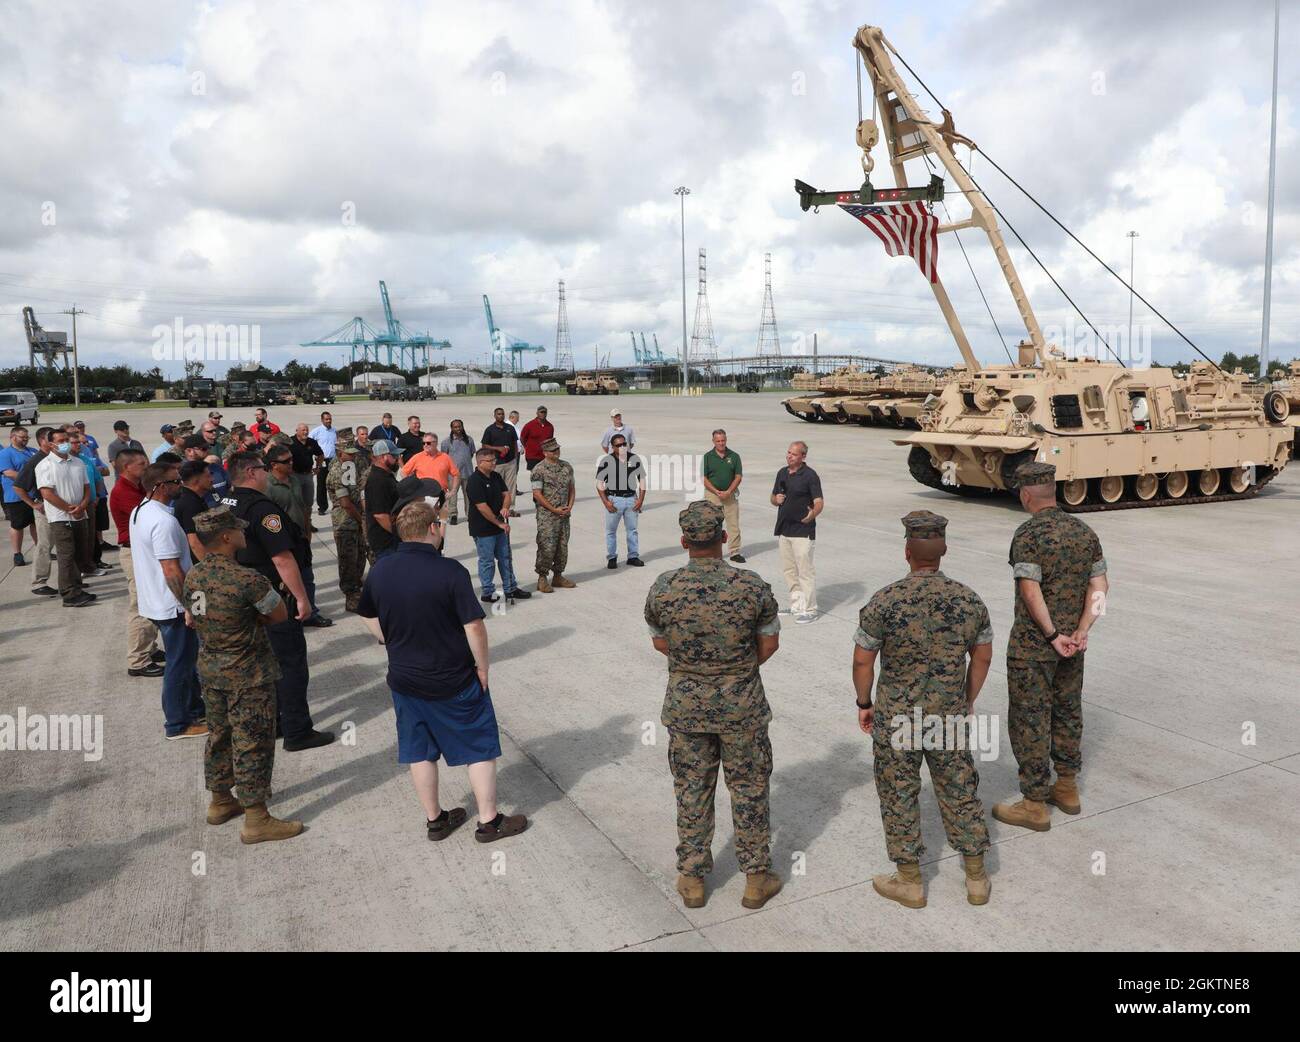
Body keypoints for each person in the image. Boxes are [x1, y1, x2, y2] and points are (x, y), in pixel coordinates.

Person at [357, 496, 529, 843]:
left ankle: (435, 820)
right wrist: (482, 668)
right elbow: (474, 627)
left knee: (419, 749)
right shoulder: (449, 571)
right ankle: (489, 820)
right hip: (453, 678)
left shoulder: (381, 569)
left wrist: (388, 640)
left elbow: (367, 614)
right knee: (478, 745)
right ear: (433, 529)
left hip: (405, 679)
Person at [644, 500, 782, 911]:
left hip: (687, 708)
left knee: (691, 788)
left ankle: (692, 878)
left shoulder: (665, 587)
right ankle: (756, 879)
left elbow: (659, 641)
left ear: (684, 540)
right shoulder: (752, 586)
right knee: (750, 788)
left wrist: (696, 668)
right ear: (723, 538)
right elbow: (769, 643)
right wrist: (734, 670)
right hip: (742, 707)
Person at [853, 510, 994, 909]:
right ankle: (977, 878)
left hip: (898, 717)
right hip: (947, 715)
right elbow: (981, 657)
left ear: (906, 552)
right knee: (959, 789)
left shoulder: (885, 600)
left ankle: (910, 881)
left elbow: (863, 660)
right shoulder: (968, 600)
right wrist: (966, 699)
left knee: (899, 792)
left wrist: (865, 703)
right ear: (944, 550)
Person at [992, 462, 1109, 831]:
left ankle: (1034, 803)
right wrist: (1083, 630)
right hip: (1074, 647)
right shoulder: (1084, 532)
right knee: (1067, 711)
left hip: (1035, 648)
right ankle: (1067, 787)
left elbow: (1030, 589)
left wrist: (1051, 635)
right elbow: (1101, 587)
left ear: (1026, 495)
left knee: (1030, 719)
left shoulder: (1028, 535)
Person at [184, 506, 303, 843]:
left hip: (211, 670)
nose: (242, 532)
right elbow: (279, 614)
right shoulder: (247, 578)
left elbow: (196, 618)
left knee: (219, 735)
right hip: (248, 675)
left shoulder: (194, 575)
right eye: (236, 529)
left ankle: (221, 801)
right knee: (253, 742)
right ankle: (256, 818)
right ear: (225, 537)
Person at [223, 451, 334, 752]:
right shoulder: (263, 510)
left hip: (242, 597)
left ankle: (274, 723)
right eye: (262, 469)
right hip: (272, 597)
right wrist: (302, 600)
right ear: (250, 472)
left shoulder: (225, 503)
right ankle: (298, 730)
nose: (266, 474)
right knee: (290, 663)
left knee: (263, 665)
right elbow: (282, 558)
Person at [130, 461, 207, 739]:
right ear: (160, 487)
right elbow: (171, 569)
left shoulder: (141, 511)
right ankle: (177, 724)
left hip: (155, 601)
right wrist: (189, 606)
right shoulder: (163, 521)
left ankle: (195, 709)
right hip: (172, 605)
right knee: (180, 664)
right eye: (175, 481)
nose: (180, 485)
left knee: (185, 660)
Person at [109, 448, 163, 677]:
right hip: (134, 552)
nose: (146, 466)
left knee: (150, 602)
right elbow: (146, 518)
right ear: (126, 468)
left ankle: (149, 648)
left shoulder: (138, 486)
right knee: (141, 606)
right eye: (142, 464)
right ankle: (137, 660)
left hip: (142, 551)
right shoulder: (123, 492)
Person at [265, 444, 331, 628]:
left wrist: (307, 533)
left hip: (300, 539)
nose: (291, 463)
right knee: (284, 583)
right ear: (274, 465)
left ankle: (310, 613)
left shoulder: (293, 480)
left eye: (291, 459)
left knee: (307, 578)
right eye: (286, 461)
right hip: (282, 542)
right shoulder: (267, 486)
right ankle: (286, 616)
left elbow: (302, 508)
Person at [35, 428, 95, 607]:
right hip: (61, 518)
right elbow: (47, 493)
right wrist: (69, 509)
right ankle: (69, 594)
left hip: (80, 515)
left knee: (80, 553)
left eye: (66, 440)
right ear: (51, 444)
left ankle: (77, 587)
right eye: (61, 440)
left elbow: (86, 487)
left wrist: (82, 505)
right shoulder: (45, 465)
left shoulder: (77, 463)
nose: (65, 443)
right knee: (66, 555)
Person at [465, 447, 530, 604]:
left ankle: (510, 588)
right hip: (483, 528)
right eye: (491, 460)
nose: (494, 463)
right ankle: (488, 592)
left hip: (499, 525)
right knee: (487, 561)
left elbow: (506, 494)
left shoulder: (495, 476)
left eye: (495, 460)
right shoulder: (474, 481)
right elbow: (482, 507)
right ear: (480, 462)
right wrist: (499, 523)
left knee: (505, 557)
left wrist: (505, 507)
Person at [771, 441, 823, 624]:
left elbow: (819, 502)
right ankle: (797, 605)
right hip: (784, 530)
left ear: (803, 456)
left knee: (805, 572)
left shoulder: (810, 476)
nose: (789, 456)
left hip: (803, 531)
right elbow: (773, 497)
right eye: (788, 452)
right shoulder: (782, 473)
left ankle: (810, 609)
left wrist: (812, 515)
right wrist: (775, 499)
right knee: (789, 571)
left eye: (793, 454)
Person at [325, 429, 367, 612]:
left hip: (356, 519)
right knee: (348, 560)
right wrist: (362, 521)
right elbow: (346, 504)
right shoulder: (336, 471)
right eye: (349, 452)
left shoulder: (352, 463)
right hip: (346, 522)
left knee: (360, 556)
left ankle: (357, 589)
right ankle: (351, 596)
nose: (353, 455)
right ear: (339, 451)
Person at [530, 437, 576, 593]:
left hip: (564, 515)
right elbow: (537, 494)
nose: (556, 452)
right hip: (547, 517)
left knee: (562, 546)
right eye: (553, 450)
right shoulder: (539, 470)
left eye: (557, 449)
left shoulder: (566, 467)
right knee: (546, 547)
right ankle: (542, 578)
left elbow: (571, 488)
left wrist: (569, 506)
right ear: (545, 453)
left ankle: (558, 576)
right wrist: (553, 509)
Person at [595, 432, 644, 568]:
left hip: (631, 500)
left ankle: (633, 557)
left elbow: (642, 481)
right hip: (614, 500)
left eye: (624, 444)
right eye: (618, 445)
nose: (622, 447)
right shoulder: (606, 461)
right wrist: (606, 502)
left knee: (632, 530)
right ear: (612, 447)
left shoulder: (634, 459)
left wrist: (640, 500)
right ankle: (612, 558)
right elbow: (599, 484)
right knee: (611, 531)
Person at [17, 426, 56, 595]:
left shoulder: (56, 458)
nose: (57, 444)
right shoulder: (35, 461)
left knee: (64, 544)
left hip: (61, 507)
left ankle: (71, 580)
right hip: (44, 507)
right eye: (53, 440)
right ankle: (39, 582)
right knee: (45, 545)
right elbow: (19, 486)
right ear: (42, 441)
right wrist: (33, 504)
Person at [701, 428, 744, 563]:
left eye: (723, 440)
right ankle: (713, 551)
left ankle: (734, 551)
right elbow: (704, 478)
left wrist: (729, 491)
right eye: (718, 441)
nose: (721, 443)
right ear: (713, 441)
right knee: (712, 524)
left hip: (729, 495)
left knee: (733, 524)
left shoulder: (734, 456)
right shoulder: (707, 457)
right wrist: (716, 491)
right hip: (713, 495)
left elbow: (738, 476)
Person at [73, 430, 111, 571]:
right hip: (77, 505)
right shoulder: (70, 461)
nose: (81, 445)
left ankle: (91, 564)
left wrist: (98, 496)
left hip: (92, 502)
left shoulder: (87, 458)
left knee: (90, 536)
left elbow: (98, 477)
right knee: (79, 539)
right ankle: (81, 567)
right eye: (76, 442)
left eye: (83, 442)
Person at [0, 425, 36, 566]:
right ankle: (17, 553)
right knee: (18, 525)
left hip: (34, 494)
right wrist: (30, 479)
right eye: (23, 437)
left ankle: (41, 549)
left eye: (27, 437)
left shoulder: (32, 452)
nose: (25, 440)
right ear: (13, 437)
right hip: (16, 496)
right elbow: (8, 472)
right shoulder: (5, 454)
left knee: (36, 523)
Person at [401, 433, 460, 517]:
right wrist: (412, 488)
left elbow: (456, 474)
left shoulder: (445, 457)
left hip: (441, 496)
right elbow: (404, 472)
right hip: (423, 497)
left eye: (428, 443)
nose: (425, 445)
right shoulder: (417, 457)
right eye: (423, 443)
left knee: (441, 523)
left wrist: (453, 490)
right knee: (425, 524)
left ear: (435, 443)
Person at [363, 439, 403, 564]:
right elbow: (380, 515)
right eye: (394, 455)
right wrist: (400, 535)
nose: (398, 458)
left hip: (391, 541)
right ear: (383, 457)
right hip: (386, 543)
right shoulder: (378, 481)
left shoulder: (386, 475)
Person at [173, 459, 215, 561]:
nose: (212, 479)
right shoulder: (191, 504)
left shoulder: (191, 497)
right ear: (196, 480)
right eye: (208, 476)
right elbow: (194, 542)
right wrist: (210, 567)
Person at [481, 408, 520, 517]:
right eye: (498, 414)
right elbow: (484, 445)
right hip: (497, 463)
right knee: (497, 487)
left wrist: (515, 457)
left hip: (510, 462)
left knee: (511, 486)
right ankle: (497, 508)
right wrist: (498, 448)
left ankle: (510, 508)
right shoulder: (490, 429)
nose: (501, 416)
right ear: (494, 416)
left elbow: (514, 443)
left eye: (502, 414)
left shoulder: (510, 428)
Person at [440, 419, 476, 525]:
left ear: (462, 427)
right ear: (451, 428)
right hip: (452, 475)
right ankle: (453, 515)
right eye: (455, 427)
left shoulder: (469, 440)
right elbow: (444, 457)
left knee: (469, 495)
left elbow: (471, 453)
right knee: (452, 496)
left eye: (459, 426)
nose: (458, 429)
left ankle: (470, 514)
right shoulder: (446, 442)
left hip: (468, 473)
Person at [288, 423, 324, 521]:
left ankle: (308, 522)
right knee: (296, 501)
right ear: (297, 431)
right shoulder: (290, 443)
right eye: (303, 430)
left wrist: (318, 467)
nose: (306, 432)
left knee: (308, 502)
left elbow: (320, 455)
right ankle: (297, 524)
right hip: (295, 476)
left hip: (308, 475)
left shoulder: (312, 442)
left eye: (307, 430)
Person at [309, 411, 336, 516]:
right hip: (322, 461)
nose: (329, 421)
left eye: (330, 419)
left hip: (333, 461)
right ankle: (322, 507)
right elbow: (309, 443)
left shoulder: (335, 431)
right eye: (326, 419)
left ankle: (336, 505)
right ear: (322, 420)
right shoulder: (316, 431)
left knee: (334, 483)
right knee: (321, 485)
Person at [518, 406, 554, 472]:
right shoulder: (529, 425)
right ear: (537, 413)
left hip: (545, 456)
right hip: (533, 456)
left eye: (544, 412)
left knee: (545, 477)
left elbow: (550, 441)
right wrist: (528, 447)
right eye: (541, 412)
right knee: (536, 477)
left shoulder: (550, 426)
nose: (543, 414)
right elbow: (522, 438)